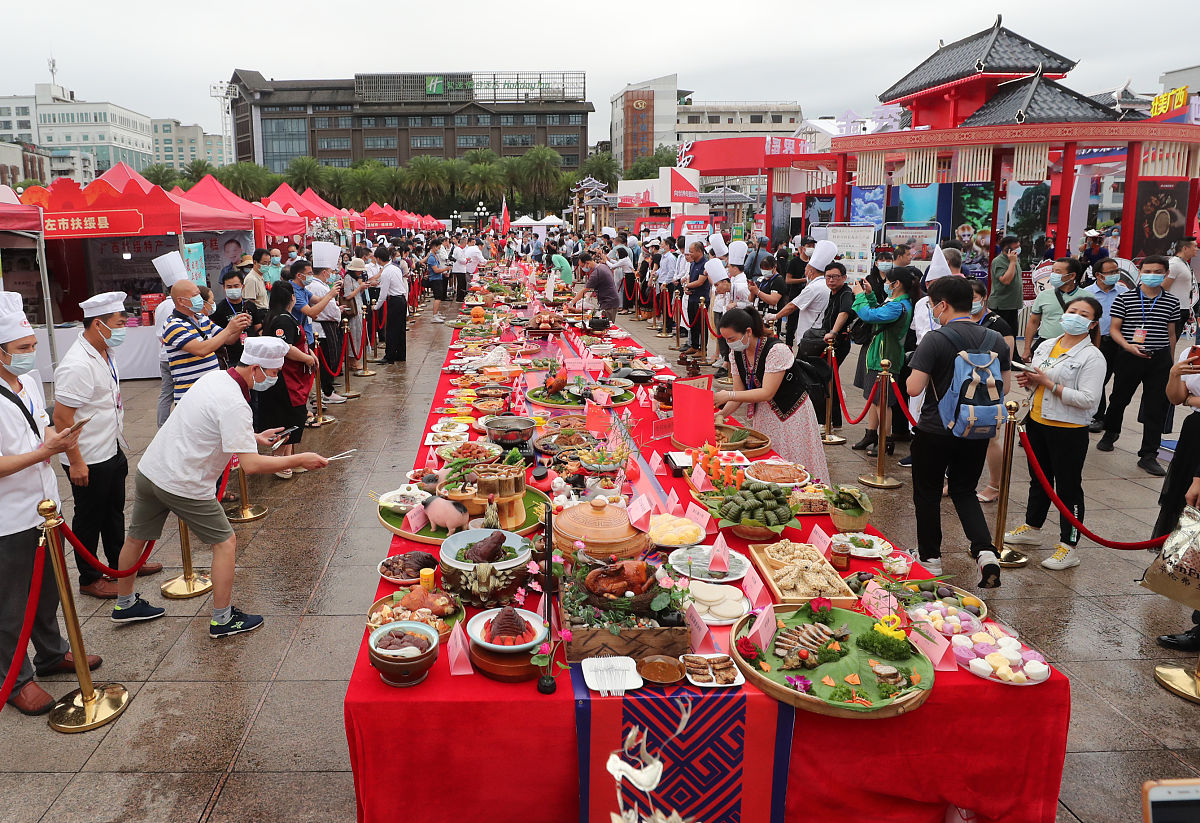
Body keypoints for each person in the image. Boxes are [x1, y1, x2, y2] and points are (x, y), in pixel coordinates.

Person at [110, 337, 329, 637]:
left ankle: (124, 604)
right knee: (225, 543)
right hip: (184, 483)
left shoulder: (214, 378)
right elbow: (251, 465)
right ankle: (222, 619)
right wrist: (300, 458)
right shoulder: (236, 403)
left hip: (152, 470)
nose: (275, 379)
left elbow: (212, 422)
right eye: (274, 373)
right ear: (255, 369)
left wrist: (252, 436)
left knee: (136, 538)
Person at [0, 292, 93, 716]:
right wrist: (45, 451)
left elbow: (42, 429)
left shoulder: (31, 382)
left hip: (46, 508)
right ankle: (14, 680)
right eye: (22, 348)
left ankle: (51, 653)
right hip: (9, 516)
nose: (30, 353)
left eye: (33, 345)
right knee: (11, 604)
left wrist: (61, 442)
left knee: (48, 591)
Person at [53, 292, 163, 599]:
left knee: (113, 511)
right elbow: (61, 418)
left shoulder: (104, 350)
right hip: (88, 456)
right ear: (98, 324)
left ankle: (120, 563)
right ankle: (89, 578)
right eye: (119, 323)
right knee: (89, 518)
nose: (123, 329)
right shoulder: (77, 364)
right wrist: (76, 461)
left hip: (110, 447)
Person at [906, 276, 1010, 586]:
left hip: (935, 429)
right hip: (975, 427)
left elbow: (914, 388)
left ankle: (930, 559)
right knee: (964, 491)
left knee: (927, 494)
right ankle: (985, 553)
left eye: (932, 304)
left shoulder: (935, 339)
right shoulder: (996, 339)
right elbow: (1004, 386)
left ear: (943, 305)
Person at [1003, 297, 1107, 570]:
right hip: (1038, 420)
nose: (1075, 317)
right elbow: (1037, 382)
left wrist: (1048, 384)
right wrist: (1030, 382)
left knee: (1068, 487)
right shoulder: (1047, 345)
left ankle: (1069, 545)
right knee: (1039, 479)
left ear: (1093, 323)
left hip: (1068, 429)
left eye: (1083, 314)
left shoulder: (1092, 357)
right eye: (1072, 311)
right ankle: (1033, 527)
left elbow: (1089, 400)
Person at [714, 307, 830, 482]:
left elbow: (767, 392)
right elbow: (740, 393)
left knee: (792, 464)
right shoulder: (737, 354)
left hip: (791, 415)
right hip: (765, 415)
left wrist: (728, 395)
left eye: (731, 338)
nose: (729, 343)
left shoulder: (776, 350)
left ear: (748, 331)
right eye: (726, 339)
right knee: (767, 467)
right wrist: (721, 414)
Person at [1098, 255, 1180, 475]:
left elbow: (1171, 333)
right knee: (1119, 398)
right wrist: (1128, 346)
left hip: (1159, 359)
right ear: (1140, 272)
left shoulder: (1172, 301)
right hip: (1129, 355)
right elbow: (1115, 328)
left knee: (1156, 406)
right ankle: (1111, 432)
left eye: (1158, 272)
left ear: (1165, 274)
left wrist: (1171, 362)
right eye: (1148, 271)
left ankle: (1148, 454)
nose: (1152, 275)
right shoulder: (1125, 298)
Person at [850, 265, 917, 457]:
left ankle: (885, 441)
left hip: (885, 358)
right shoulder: (896, 302)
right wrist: (869, 295)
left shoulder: (898, 306)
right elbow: (877, 310)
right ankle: (871, 434)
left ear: (896, 284)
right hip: (878, 356)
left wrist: (859, 296)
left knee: (883, 402)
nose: (885, 284)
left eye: (888, 281)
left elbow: (869, 315)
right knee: (875, 399)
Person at [257, 282, 317, 477]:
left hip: (292, 376)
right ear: (292, 297)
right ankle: (279, 461)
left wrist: (309, 354)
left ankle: (289, 459)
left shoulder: (281, 316)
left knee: (292, 418)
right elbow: (285, 347)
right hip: (285, 378)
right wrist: (307, 358)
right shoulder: (282, 320)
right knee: (287, 419)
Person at [162, 278, 250, 404]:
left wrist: (239, 326)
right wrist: (229, 329)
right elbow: (201, 349)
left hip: (211, 390)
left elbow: (228, 339)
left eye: (198, 294)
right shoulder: (173, 325)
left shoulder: (202, 318)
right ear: (181, 301)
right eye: (195, 295)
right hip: (190, 394)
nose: (199, 298)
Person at [966, 278, 1016, 500]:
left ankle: (995, 485)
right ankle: (958, 481)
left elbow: (1006, 362)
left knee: (990, 438)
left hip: (989, 390)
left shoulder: (999, 325)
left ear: (984, 298)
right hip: (964, 387)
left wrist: (999, 391)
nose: (970, 303)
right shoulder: (962, 320)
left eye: (974, 298)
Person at [1084, 257, 1128, 433]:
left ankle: (1112, 421)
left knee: (1122, 382)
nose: (1115, 275)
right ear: (1098, 275)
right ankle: (1098, 416)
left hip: (1122, 342)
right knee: (1098, 379)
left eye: (1117, 271)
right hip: (1099, 341)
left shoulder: (1124, 292)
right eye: (1110, 272)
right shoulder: (1087, 293)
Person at [1023, 258, 1086, 359]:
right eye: (1052, 271)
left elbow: (1095, 327)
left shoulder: (1087, 297)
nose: (1053, 275)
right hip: (1046, 344)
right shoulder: (1043, 295)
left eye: (1058, 272)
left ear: (1072, 275)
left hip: (1075, 347)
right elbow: (1033, 322)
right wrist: (1027, 349)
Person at [212, 269, 262, 368]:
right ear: (224, 288)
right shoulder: (219, 309)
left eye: (236, 286)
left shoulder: (250, 305)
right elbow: (219, 336)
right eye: (229, 287)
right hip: (232, 358)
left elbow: (258, 329)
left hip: (252, 354)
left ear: (243, 286)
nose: (233, 289)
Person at [374, 245, 409, 364]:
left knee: (391, 330)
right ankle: (401, 354)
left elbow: (383, 293)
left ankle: (389, 356)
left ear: (379, 259)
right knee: (400, 329)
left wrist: (376, 307)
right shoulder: (395, 268)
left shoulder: (386, 272)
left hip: (394, 301)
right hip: (401, 299)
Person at [567, 251, 620, 323]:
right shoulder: (602, 266)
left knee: (606, 324)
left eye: (582, 266)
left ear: (587, 263)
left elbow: (584, 290)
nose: (582, 269)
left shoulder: (596, 273)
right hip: (610, 300)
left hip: (609, 302)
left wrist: (571, 303)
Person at [988, 236, 1024, 337]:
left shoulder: (1014, 259)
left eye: (1019, 246)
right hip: (1002, 306)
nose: (1018, 249)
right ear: (1007, 249)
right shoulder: (999, 261)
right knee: (1002, 335)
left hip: (1013, 305)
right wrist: (1012, 262)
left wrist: (1013, 261)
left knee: (1012, 334)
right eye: (1016, 247)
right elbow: (1006, 280)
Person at [782, 236, 815, 346]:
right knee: (792, 324)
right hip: (796, 296)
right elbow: (788, 280)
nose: (811, 248)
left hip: (810, 297)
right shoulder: (794, 262)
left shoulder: (814, 262)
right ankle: (789, 346)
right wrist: (804, 280)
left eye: (813, 246)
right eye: (808, 246)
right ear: (802, 248)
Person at [1165, 236, 1198, 339]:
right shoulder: (1174, 264)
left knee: (1174, 340)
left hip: (1183, 309)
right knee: (1169, 340)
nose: (1197, 249)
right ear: (1185, 248)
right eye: (1195, 246)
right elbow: (1163, 287)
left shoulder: (1184, 263)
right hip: (1174, 310)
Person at [424, 241, 450, 323]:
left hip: (438, 278)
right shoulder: (431, 258)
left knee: (439, 297)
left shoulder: (435, 256)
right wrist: (445, 269)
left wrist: (443, 273)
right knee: (437, 298)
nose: (439, 250)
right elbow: (436, 270)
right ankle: (434, 316)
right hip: (435, 280)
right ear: (434, 247)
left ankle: (437, 313)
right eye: (438, 248)